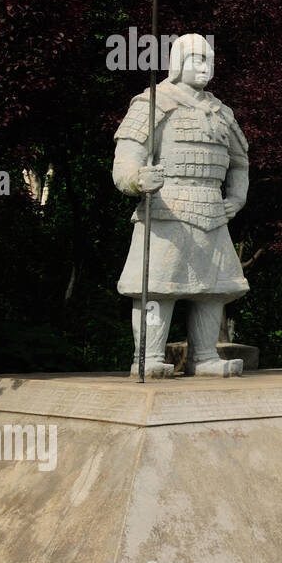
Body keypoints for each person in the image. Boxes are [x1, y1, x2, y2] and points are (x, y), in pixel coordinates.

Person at [113, 33, 249, 377]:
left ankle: (205, 358)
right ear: (177, 64)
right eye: (197, 60)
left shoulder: (222, 112)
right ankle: (148, 357)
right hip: (165, 209)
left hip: (212, 211)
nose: (206, 68)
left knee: (212, 291)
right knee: (158, 288)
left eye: (209, 61)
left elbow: (240, 162)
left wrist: (236, 196)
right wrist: (136, 180)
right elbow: (126, 158)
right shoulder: (153, 102)